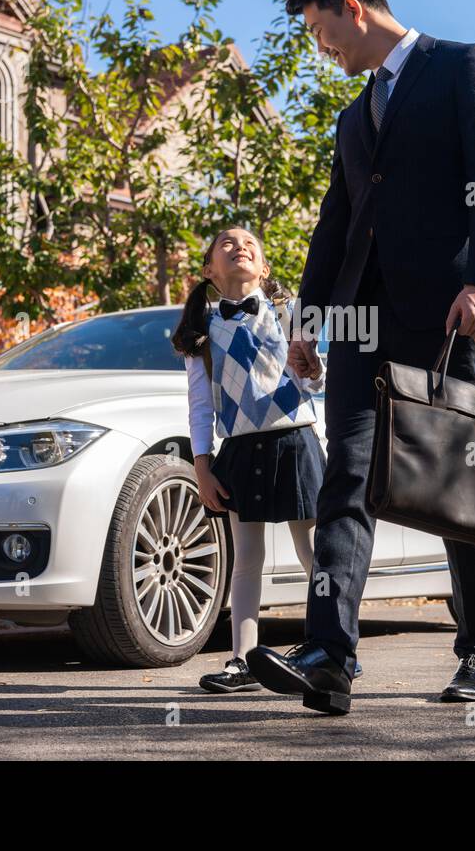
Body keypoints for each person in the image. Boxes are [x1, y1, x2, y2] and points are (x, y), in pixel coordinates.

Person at [245, 0, 475, 715]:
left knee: (456, 487)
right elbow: (338, 223)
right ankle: (330, 653)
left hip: (445, 315)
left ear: (353, 8)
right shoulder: (351, 118)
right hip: (363, 322)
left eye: (318, 28)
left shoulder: (463, 66)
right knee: (348, 479)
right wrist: (308, 320)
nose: (318, 46)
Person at [171, 226, 326, 693]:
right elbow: (200, 406)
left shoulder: (293, 314)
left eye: (250, 245)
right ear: (209, 270)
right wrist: (202, 466)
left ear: (264, 269)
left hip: (295, 440)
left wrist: (315, 371)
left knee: (315, 552)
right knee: (246, 560)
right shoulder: (200, 332)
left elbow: (322, 383)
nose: (240, 248)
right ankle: (242, 660)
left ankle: (332, 647)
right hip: (239, 449)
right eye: (227, 243)